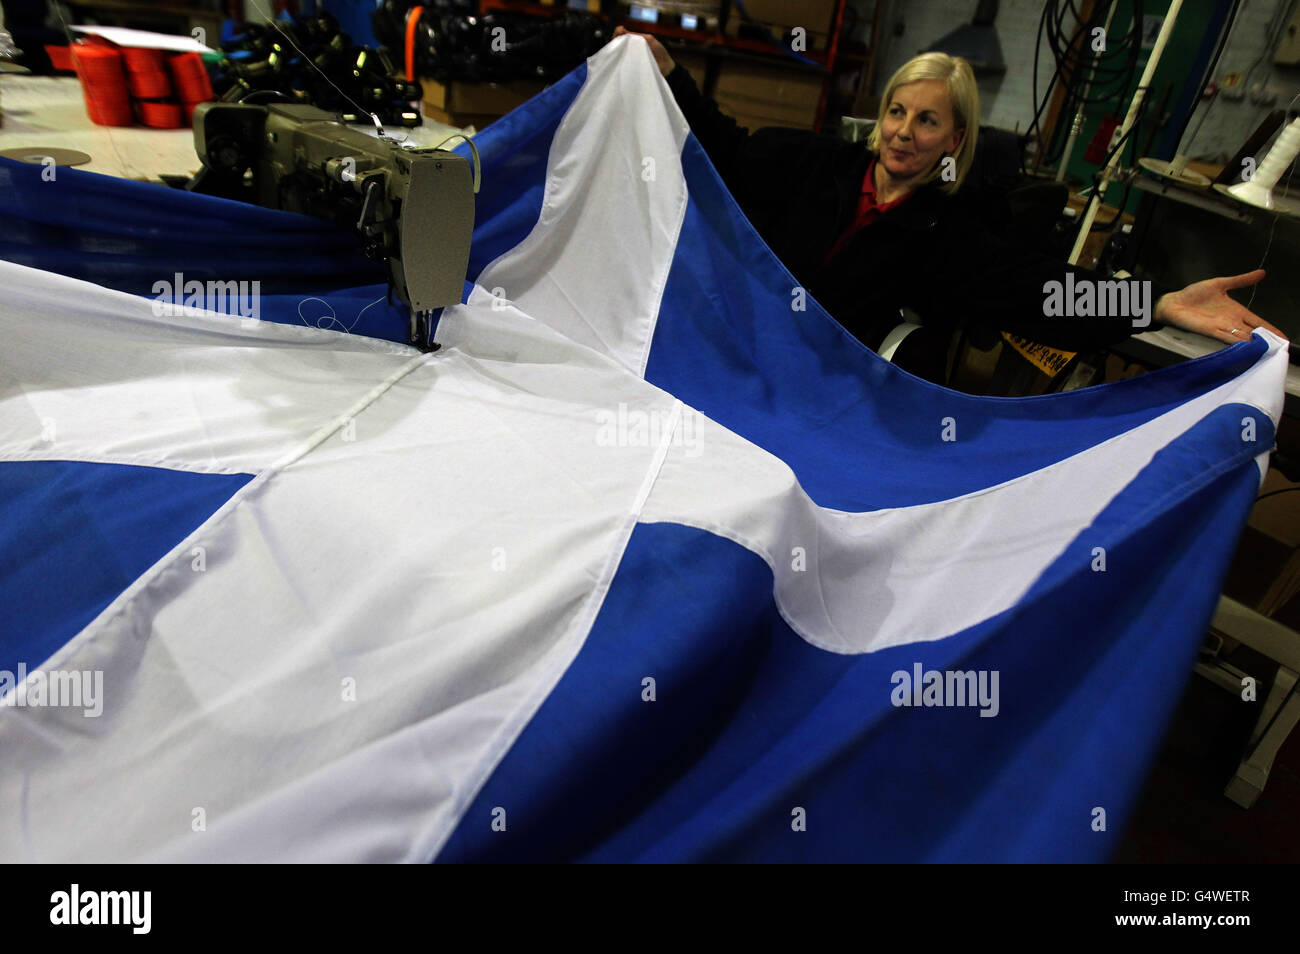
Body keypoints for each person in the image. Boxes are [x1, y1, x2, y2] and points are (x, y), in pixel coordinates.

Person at [613, 28, 1284, 380]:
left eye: (927, 122)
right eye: (897, 111)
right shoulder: (814, 164)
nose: (904, 131)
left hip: (822, 397)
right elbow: (724, 147)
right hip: (736, 356)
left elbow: (1042, 292)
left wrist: (1155, 303)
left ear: (954, 139)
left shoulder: (947, 234)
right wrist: (672, 77)